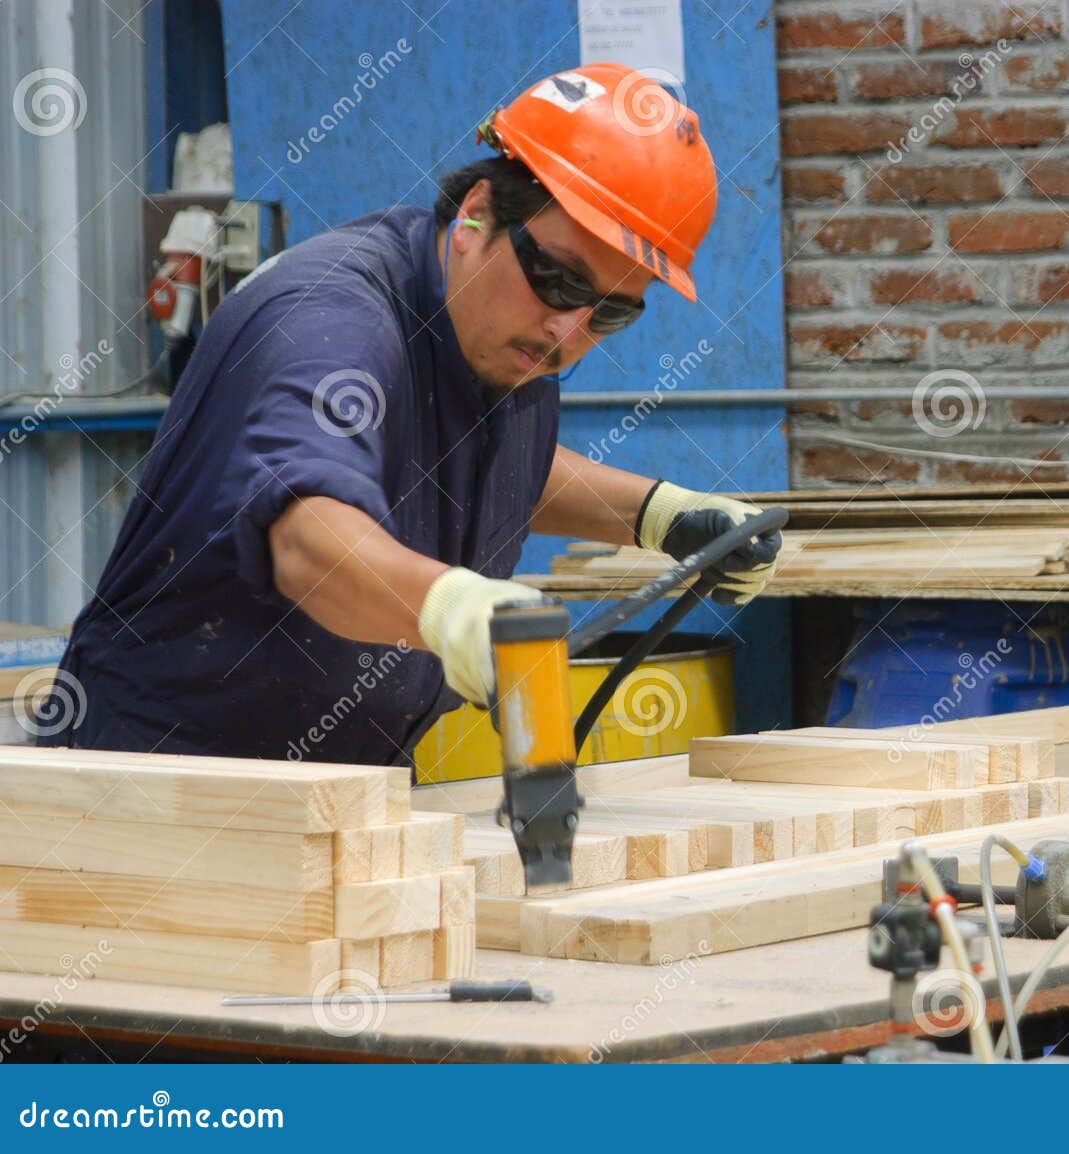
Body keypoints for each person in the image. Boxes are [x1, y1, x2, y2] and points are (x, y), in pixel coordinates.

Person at [43, 63, 781, 766]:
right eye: (558, 280)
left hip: (345, 791)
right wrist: (452, 607)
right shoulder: (330, 324)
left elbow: (485, 462)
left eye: (610, 314)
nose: (568, 331)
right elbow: (305, 539)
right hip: (169, 782)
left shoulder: (506, 333)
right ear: (476, 216)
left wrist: (659, 515)